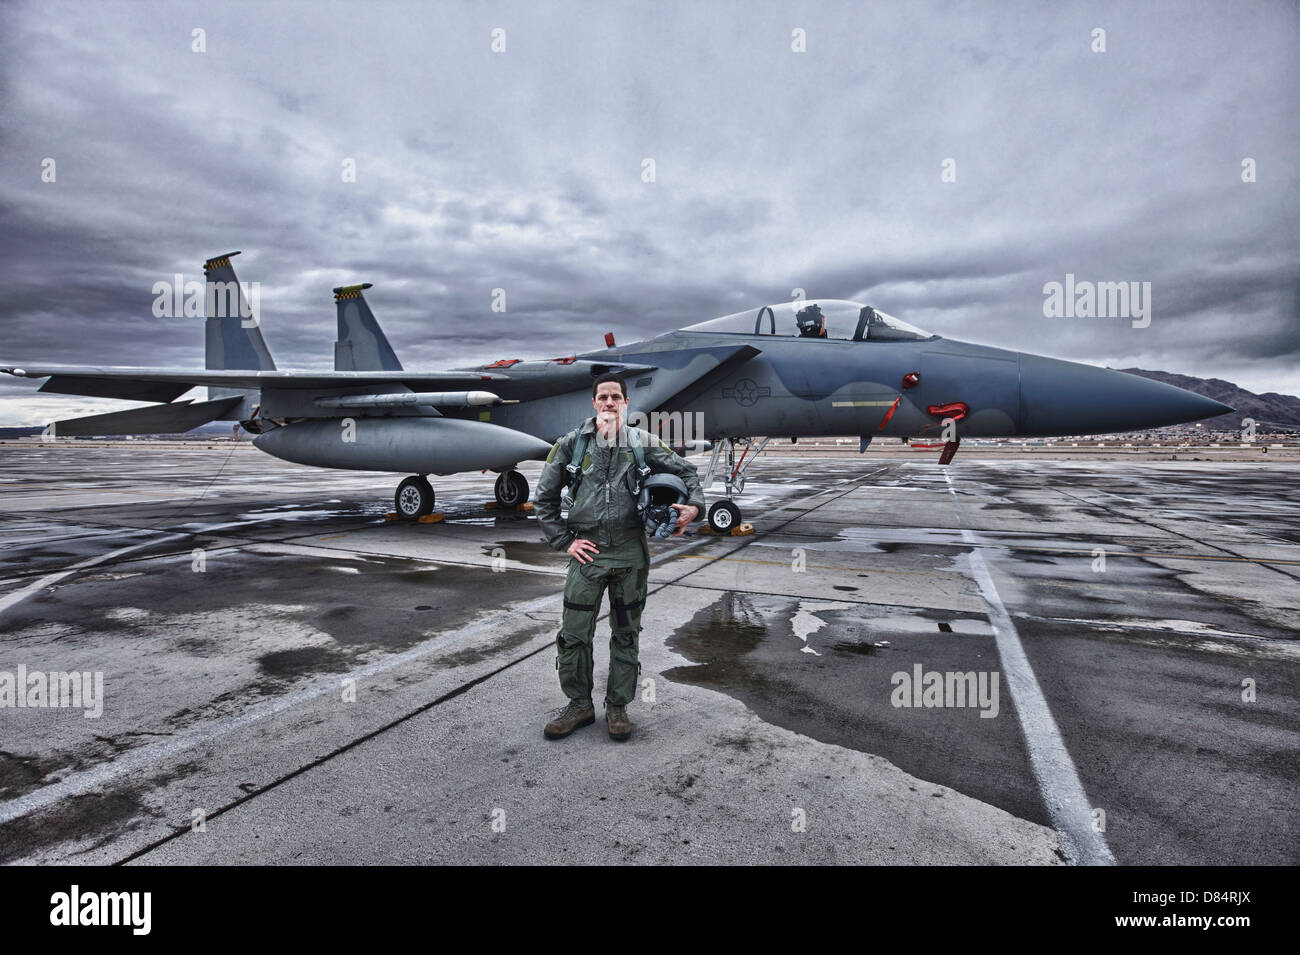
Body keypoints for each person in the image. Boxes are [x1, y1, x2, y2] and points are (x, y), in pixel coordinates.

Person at [533, 373, 705, 741]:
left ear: (626, 403)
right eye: (603, 397)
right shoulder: (570, 446)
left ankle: (617, 707)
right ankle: (579, 705)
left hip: (630, 555)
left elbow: (687, 472)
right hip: (587, 556)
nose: (609, 403)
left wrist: (694, 507)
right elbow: (543, 501)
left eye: (616, 397)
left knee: (625, 635)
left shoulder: (643, 443)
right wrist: (565, 541)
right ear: (594, 403)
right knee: (574, 635)